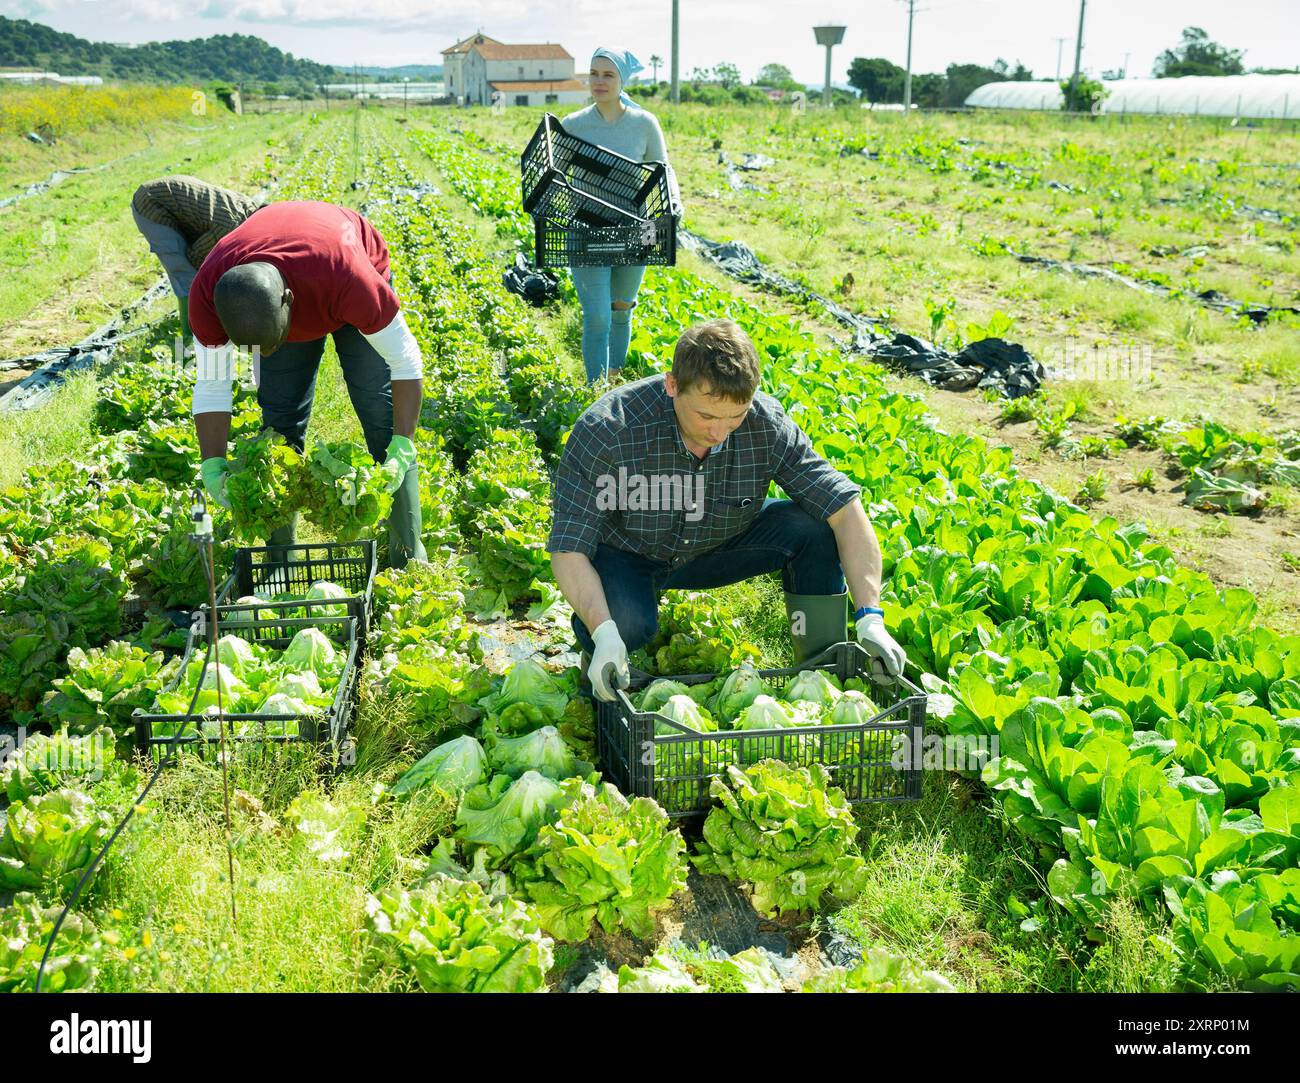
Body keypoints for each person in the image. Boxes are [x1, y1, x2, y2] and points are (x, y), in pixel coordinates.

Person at [547, 318, 907, 700]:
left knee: (814, 528)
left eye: (734, 417)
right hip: (629, 552)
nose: (719, 433)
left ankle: (821, 672)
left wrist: (870, 617)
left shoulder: (767, 425)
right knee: (627, 624)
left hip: (717, 543)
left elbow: (845, 511)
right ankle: (600, 654)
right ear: (672, 385)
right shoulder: (609, 429)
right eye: (706, 416)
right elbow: (569, 547)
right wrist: (604, 632)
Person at [188, 200, 427, 569]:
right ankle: (278, 559)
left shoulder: (349, 278)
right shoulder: (210, 295)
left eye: (273, 342)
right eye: (256, 349)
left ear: (288, 302)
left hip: (334, 269)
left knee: (380, 410)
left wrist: (403, 445)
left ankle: (408, 554)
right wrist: (213, 463)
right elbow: (212, 385)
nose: (266, 354)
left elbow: (405, 360)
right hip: (286, 287)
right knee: (279, 423)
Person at [559, 48, 682, 384]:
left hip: (635, 228)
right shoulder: (573, 125)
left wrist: (674, 203)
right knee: (597, 318)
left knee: (620, 310)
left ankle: (613, 383)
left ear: (621, 80)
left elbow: (663, 170)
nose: (599, 82)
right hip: (586, 229)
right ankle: (594, 389)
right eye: (594, 73)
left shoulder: (644, 124)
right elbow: (554, 176)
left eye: (608, 75)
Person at [130, 175, 266, 337]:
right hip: (152, 202)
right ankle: (192, 335)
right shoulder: (230, 227)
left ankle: (201, 316)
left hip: (174, 200)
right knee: (185, 274)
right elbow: (196, 258)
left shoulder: (247, 207)